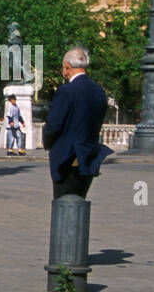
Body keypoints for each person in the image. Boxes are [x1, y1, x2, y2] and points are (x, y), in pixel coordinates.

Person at [43, 47, 112, 198]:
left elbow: (53, 125)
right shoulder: (99, 91)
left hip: (66, 157)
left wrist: (47, 142)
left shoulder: (66, 91)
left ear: (67, 66)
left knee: (63, 203)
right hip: (89, 155)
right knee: (79, 201)